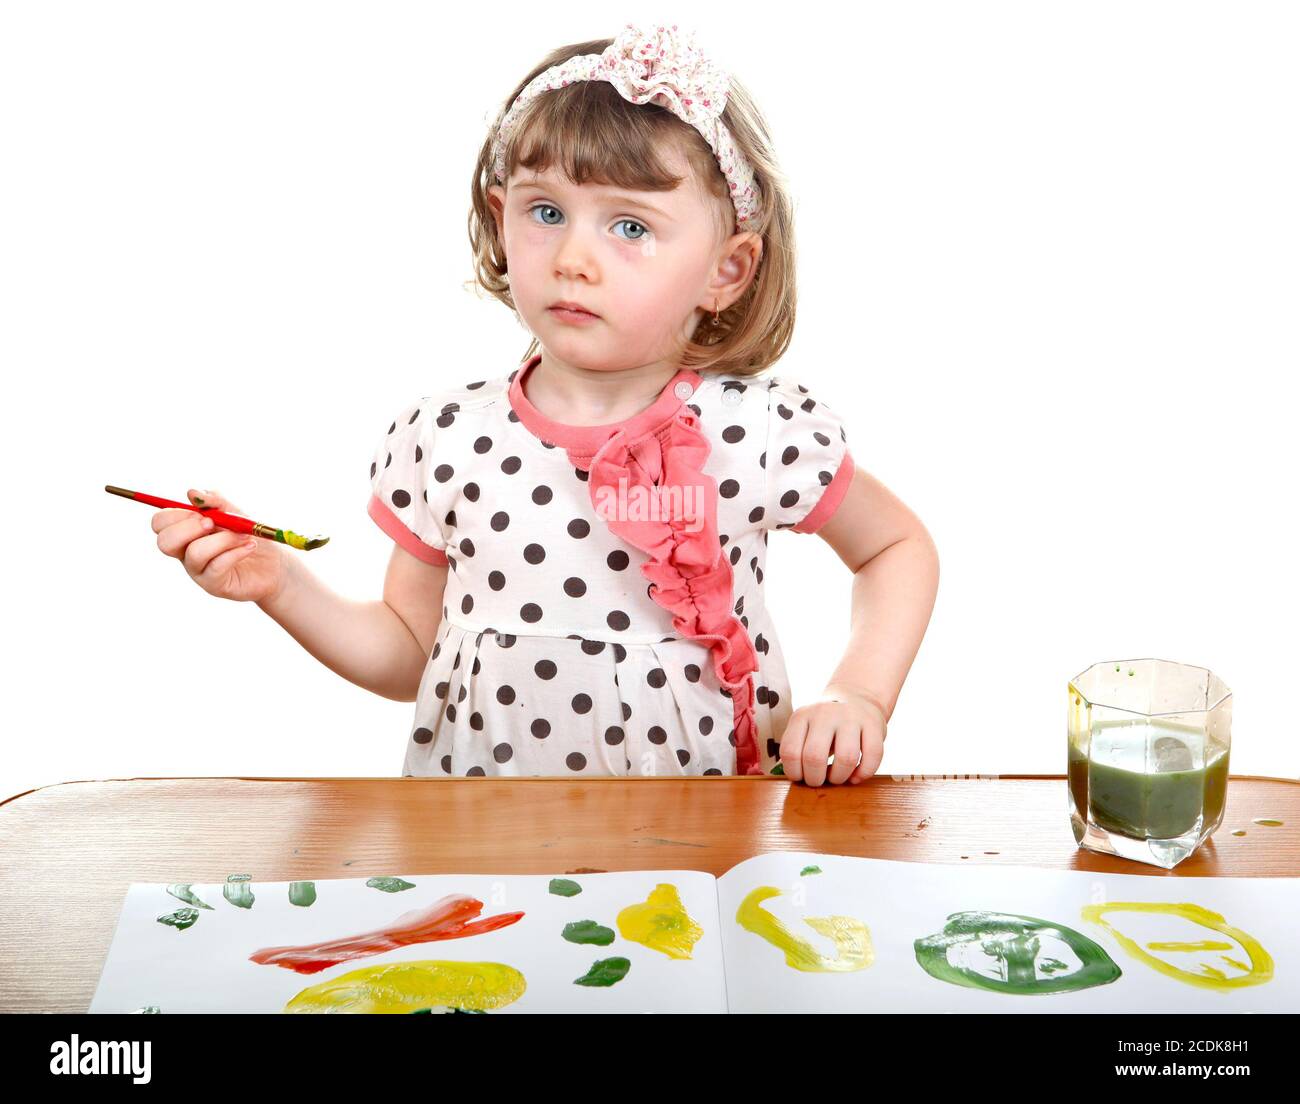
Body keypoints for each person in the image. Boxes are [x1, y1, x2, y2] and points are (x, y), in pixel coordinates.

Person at [151, 23, 940, 786]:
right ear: (502, 215)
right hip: (485, 842)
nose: (572, 258)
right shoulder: (447, 437)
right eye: (546, 212)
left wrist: (859, 694)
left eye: (630, 225)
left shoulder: (758, 433)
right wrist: (282, 584)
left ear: (726, 271)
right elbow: (403, 653)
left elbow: (894, 548)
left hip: (701, 840)